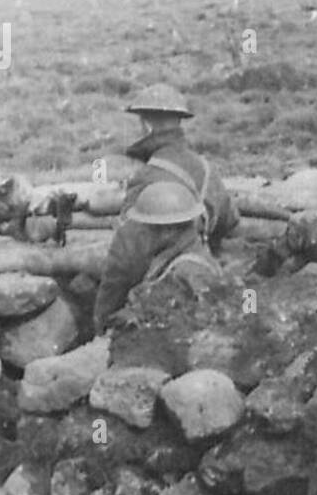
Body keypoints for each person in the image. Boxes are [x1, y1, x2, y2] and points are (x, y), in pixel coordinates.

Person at [120, 83, 239, 253]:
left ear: (147, 126)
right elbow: (229, 220)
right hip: (203, 264)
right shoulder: (207, 169)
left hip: (161, 273)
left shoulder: (146, 176)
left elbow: (127, 244)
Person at [93, 180, 224, 331]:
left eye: (147, 228)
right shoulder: (186, 256)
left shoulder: (184, 273)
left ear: (168, 231)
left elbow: (154, 318)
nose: (141, 233)